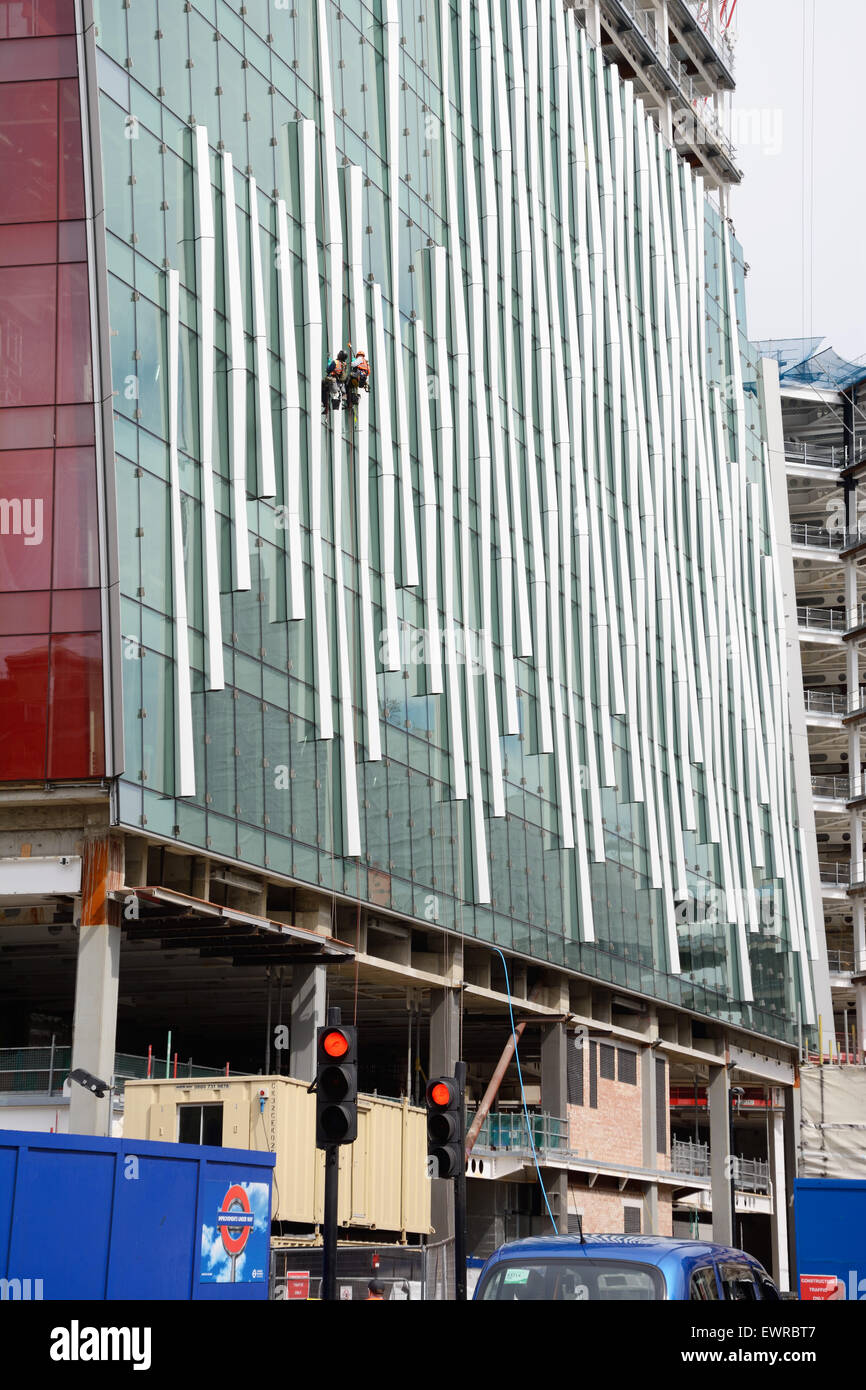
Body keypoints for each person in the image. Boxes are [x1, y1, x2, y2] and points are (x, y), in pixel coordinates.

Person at [321, 350, 348, 415]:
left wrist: (328, 362)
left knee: (323, 387)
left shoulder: (335, 362)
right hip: (340, 383)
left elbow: (328, 370)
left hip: (333, 381)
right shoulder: (344, 364)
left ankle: (325, 405)